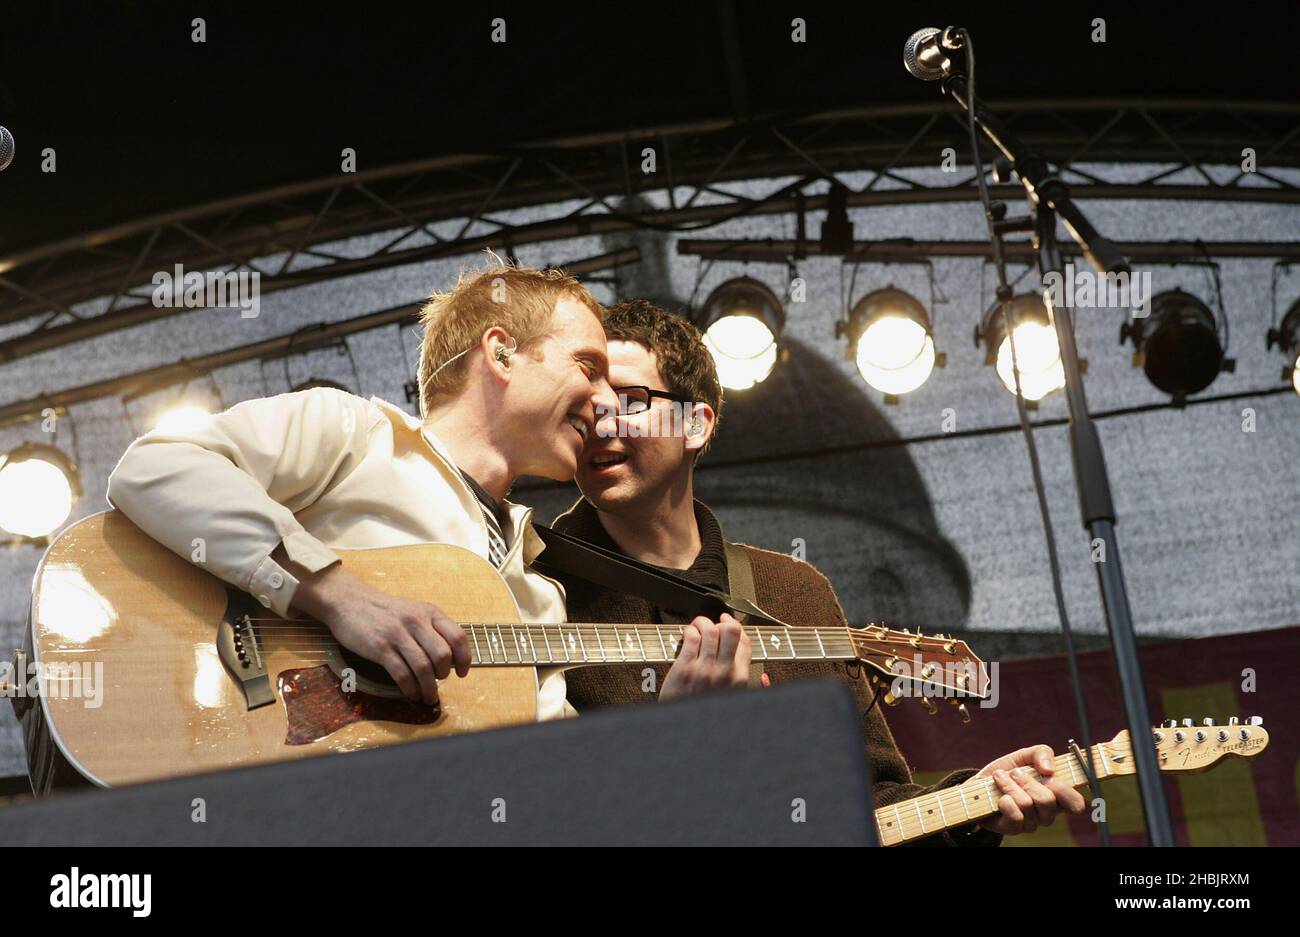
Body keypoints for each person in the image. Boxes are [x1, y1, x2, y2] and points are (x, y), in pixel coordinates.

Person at [548, 299, 1088, 845]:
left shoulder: (792, 591)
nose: (600, 424)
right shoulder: (535, 588)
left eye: (630, 401)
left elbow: (868, 800)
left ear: (696, 423)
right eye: (585, 407)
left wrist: (970, 806)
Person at [106, 258, 617, 717]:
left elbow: (549, 765)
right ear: (502, 354)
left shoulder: (540, 594)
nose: (610, 402)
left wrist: (658, 724)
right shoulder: (354, 431)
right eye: (589, 367)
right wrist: (341, 598)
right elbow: (155, 466)